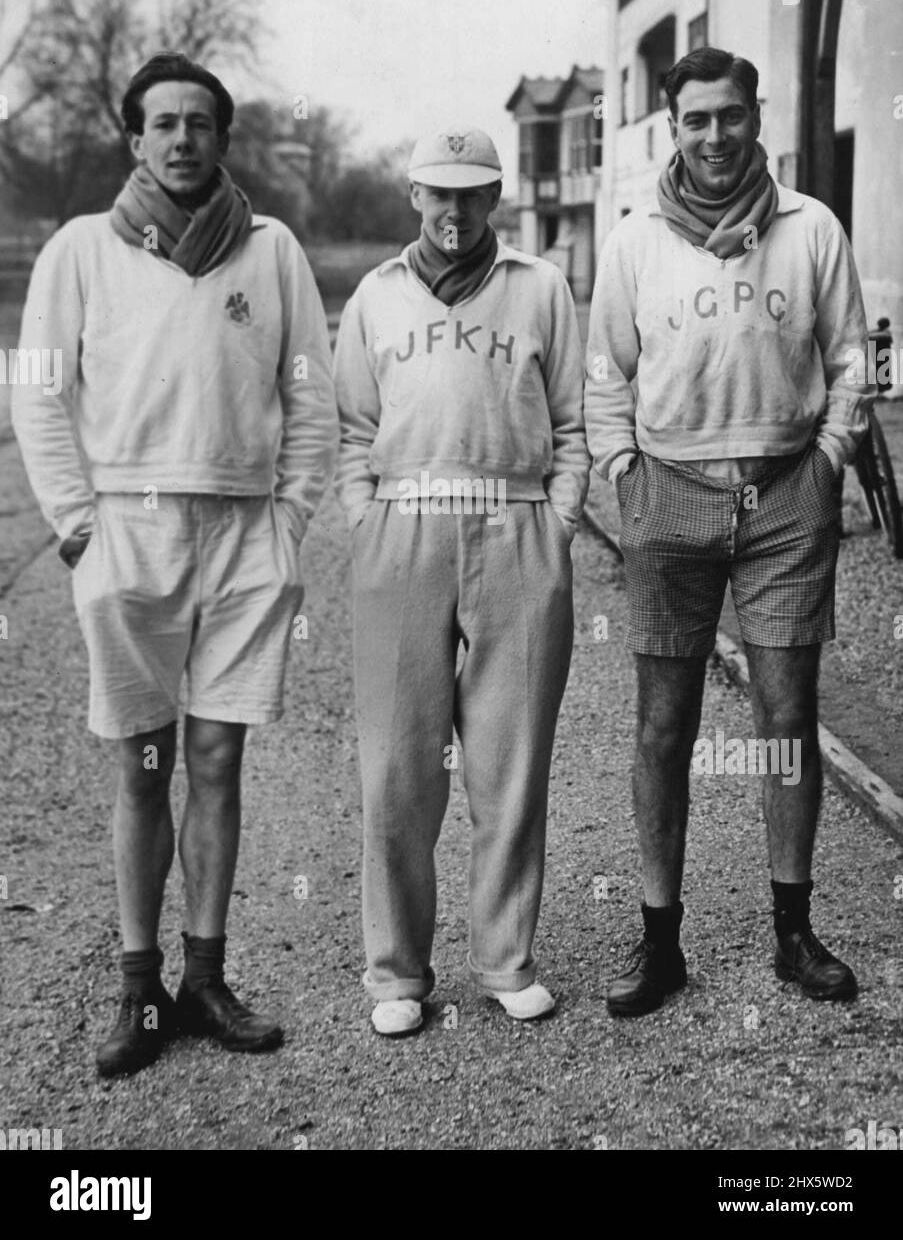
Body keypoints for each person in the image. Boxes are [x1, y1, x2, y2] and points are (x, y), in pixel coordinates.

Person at [12, 52, 338, 1074]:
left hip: (244, 533)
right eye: (164, 123)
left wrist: (288, 521)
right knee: (143, 765)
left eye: (201, 123)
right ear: (135, 137)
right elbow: (39, 393)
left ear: (222, 138)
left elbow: (313, 396)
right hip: (128, 532)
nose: (183, 138)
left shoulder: (272, 248)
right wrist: (77, 526)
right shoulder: (80, 250)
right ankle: (138, 986)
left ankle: (205, 977)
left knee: (217, 760)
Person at [584, 48, 872, 1016]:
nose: (716, 136)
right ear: (674, 127)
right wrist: (624, 471)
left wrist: (829, 458)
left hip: (786, 495)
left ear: (759, 117)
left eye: (732, 116)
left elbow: (849, 360)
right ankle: (660, 940)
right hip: (670, 494)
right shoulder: (634, 243)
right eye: (697, 119)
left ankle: (794, 933)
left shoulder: (811, 228)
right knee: (664, 726)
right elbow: (606, 375)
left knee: (787, 718)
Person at [333, 127, 589, 1036]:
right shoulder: (374, 296)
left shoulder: (540, 286)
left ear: (495, 198)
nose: (454, 211)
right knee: (399, 764)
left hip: (516, 522)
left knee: (508, 761)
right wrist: (365, 519)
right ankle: (397, 971)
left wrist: (556, 520)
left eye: (472, 193)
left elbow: (573, 420)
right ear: (413, 196)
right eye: (438, 194)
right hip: (403, 525)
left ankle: (504, 959)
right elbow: (351, 428)